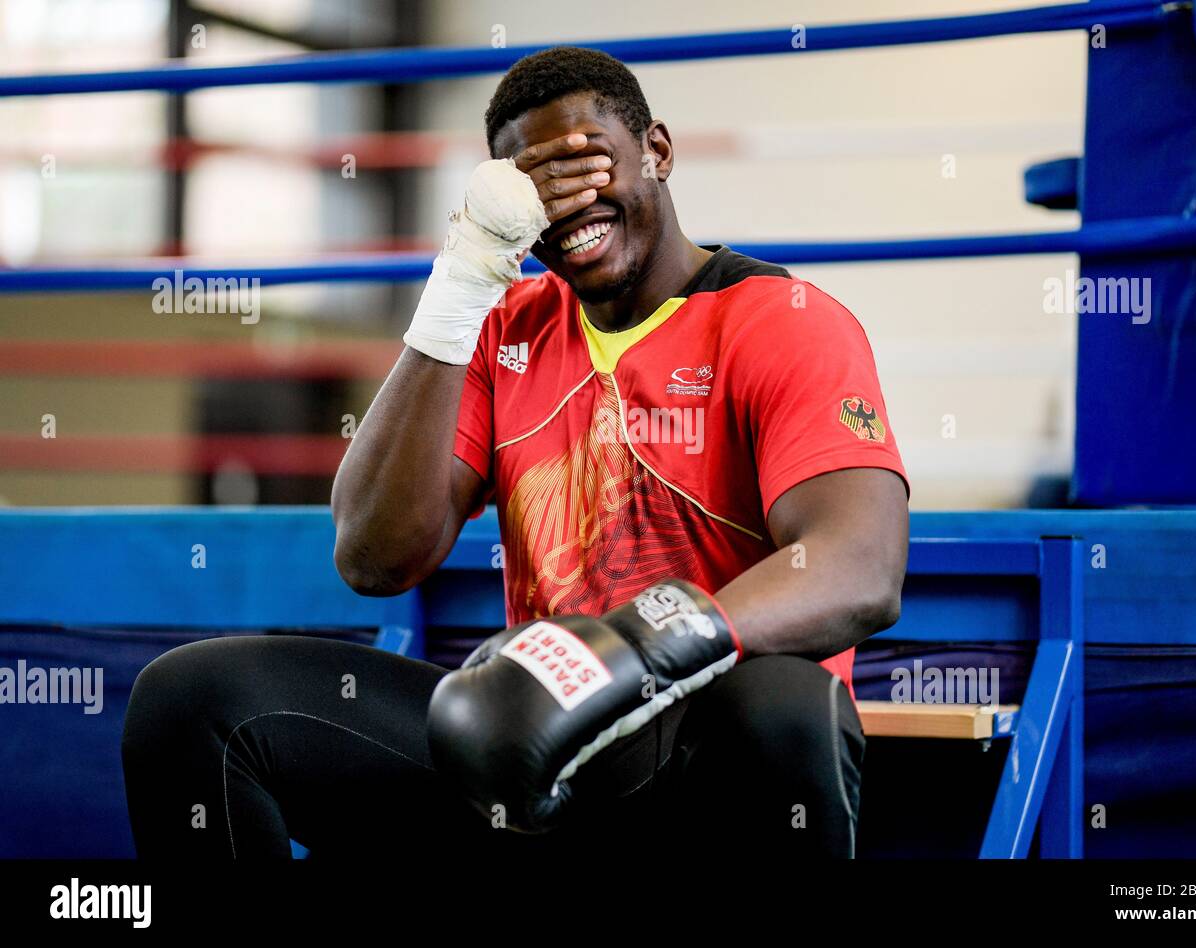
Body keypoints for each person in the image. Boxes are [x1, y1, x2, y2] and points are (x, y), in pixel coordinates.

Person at [122, 46, 909, 859]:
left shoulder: (781, 319)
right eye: (538, 190)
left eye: (588, 166)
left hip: (694, 764)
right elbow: (374, 554)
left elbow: (857, 564)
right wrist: (461, 283)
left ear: (658, 152)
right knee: (194, 700)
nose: (571, 208)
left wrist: (636, 646)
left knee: (781, 702)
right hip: (531, 765)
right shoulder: (505, 328)